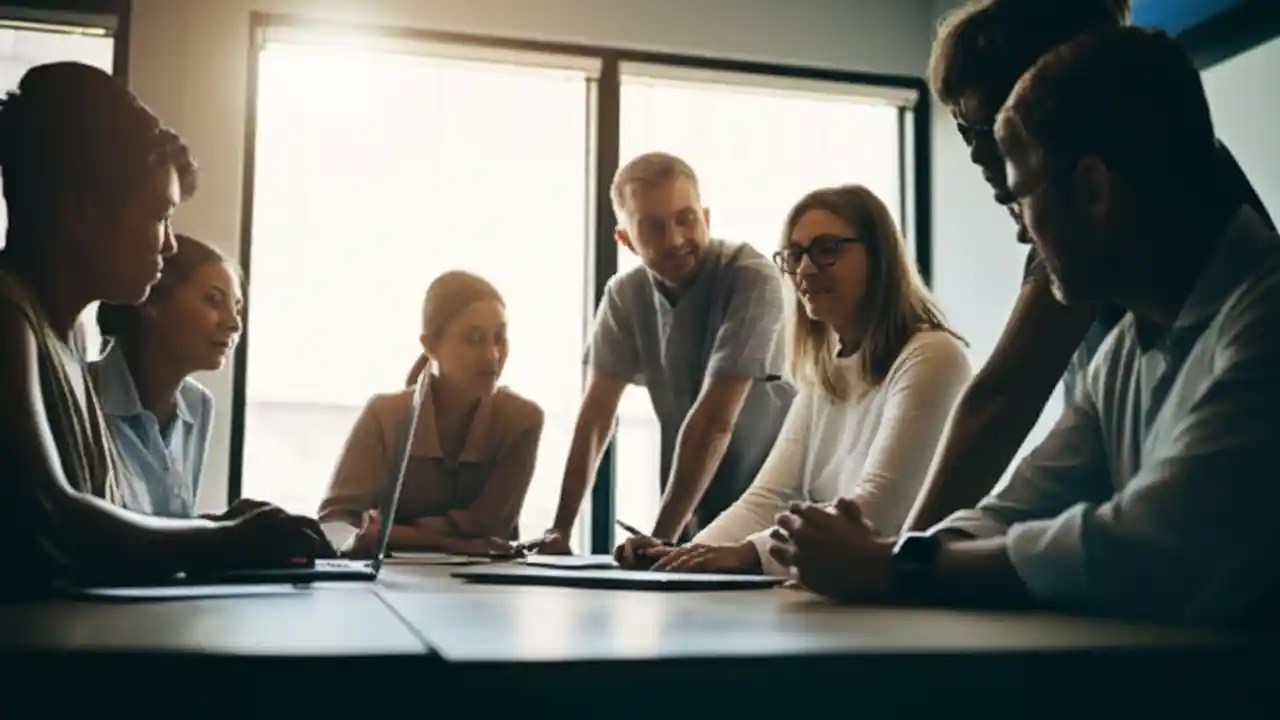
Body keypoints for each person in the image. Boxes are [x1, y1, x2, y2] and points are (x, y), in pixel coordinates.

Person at [772, 26, 1280, 629]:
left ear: (1093, 189)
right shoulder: (1122, 350)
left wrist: (893, 569)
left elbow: (1150, 547)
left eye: (1021, 198)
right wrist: (895, 557)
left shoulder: (1264, 323)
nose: (1021, 231)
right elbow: (1016, 508)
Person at [900, 0, 1274, 534]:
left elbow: (1002, 399)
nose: (979, 155)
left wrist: (896, 566)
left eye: (985, 126)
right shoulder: (1126, 334)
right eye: (964, 132)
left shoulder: (1118, 222)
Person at [0, 62, 330, 592]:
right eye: (160, 216)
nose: (171, 243)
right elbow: (54, 517)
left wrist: (219, 527)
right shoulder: (8, 318)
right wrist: (226, 541)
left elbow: (101, 516)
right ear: (82, 212)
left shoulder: (72, 334)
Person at [648, 185, 970, 575]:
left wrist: (749, 554)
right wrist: (682, 557)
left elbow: (879, 511)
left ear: (879, 257)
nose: (804, 269)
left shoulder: (932, 356)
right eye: (795, 254)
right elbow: (768, 498)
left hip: (912, 609)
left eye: (827, 248)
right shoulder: (824, 372)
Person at [525, 151, 795, 559]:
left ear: (706, 216)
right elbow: (596, 417)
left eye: (686, 219)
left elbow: (715, 421)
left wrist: (659, 537)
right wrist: (559, 530)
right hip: (695, 521)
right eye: (653, 227)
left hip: (778, 517)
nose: (674, 239)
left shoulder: (752, 279)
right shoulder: (625, 295)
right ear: (626, 239)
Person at [318, 270, 543, 556]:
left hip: (484, 590)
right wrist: (454, 541)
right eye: (474, 339)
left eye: (499, 338)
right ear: (430, 346)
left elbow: (491, 529)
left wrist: (391, 533)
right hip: (387, 586)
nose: (492, 355)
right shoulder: (385, 415)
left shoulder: (521, 420)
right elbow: (335, 522)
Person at [90, 235, 242, 517]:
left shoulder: (198, 405)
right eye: (213, 300)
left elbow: (175, 528)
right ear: (152, 303)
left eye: (237, 307)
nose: (234, 324)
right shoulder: (85, 395)